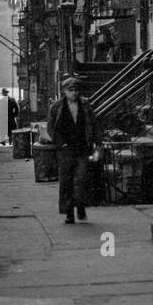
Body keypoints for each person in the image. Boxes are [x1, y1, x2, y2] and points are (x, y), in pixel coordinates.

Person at [48, 77, 98, 224]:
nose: (74, 93)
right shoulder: (56, 107)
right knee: (66, 181)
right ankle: (69, 213)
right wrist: (60, 143)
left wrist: (97, 143)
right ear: (64, 91)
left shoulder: (86, 105)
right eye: (70, 90)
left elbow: (93, 125)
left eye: (76, 90)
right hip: (65, 150)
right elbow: (51, 128)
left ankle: (81, 207)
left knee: (81, 179)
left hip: (83, 147)